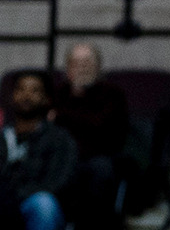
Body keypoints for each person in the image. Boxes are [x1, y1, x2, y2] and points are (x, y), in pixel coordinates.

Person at [0, 72, 76, 230]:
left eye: (35, 91)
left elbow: (59, 182)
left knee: (43, 204)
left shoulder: (59, 138)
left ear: (46, 99)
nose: (26, 95)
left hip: (34, 203)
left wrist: (15, 197)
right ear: (11, 96)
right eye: (21, 90)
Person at [53, 45, 128, 230]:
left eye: (87, 62)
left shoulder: (112, 94)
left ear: (98, 67)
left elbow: (101, 127)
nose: (82, 67)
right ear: (68, 68)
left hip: (98, 157)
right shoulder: (58, 94)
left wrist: (63, 116)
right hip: (61, 160)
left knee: (98, 171)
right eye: (76, 63)